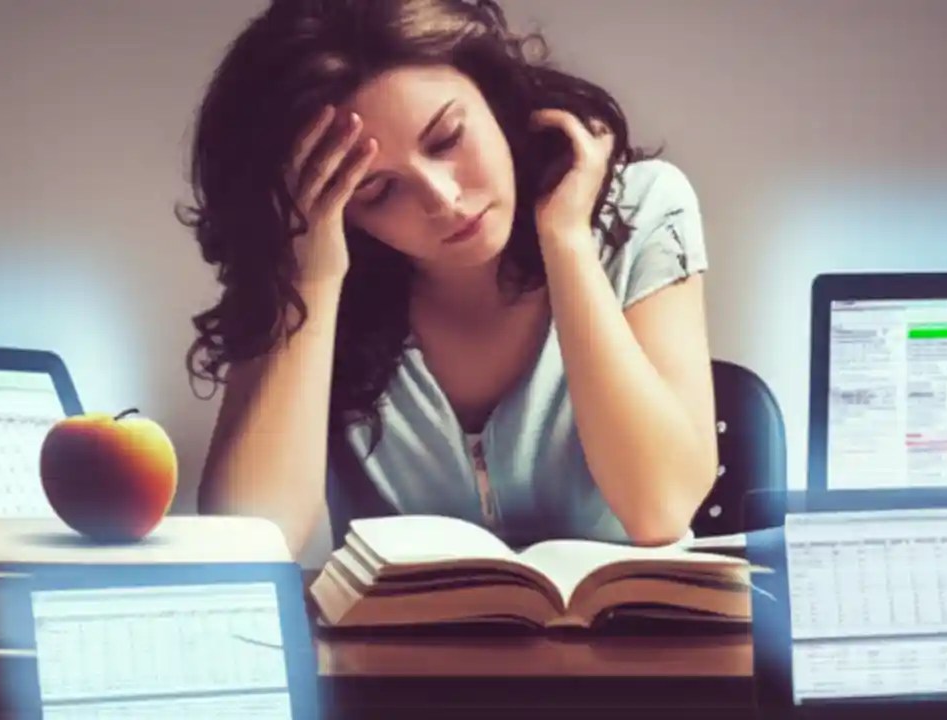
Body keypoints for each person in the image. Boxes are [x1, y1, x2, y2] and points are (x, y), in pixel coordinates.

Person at [180, 0, 719, 557]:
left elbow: (661, 509)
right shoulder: (308, 264)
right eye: (377, 190)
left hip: (632, 638)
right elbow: (251, 544)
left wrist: (568, 242)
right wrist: (312, 282)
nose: (443, 198)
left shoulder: (641, 208)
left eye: (447, 139)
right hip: (398, 643)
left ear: (495, 97)